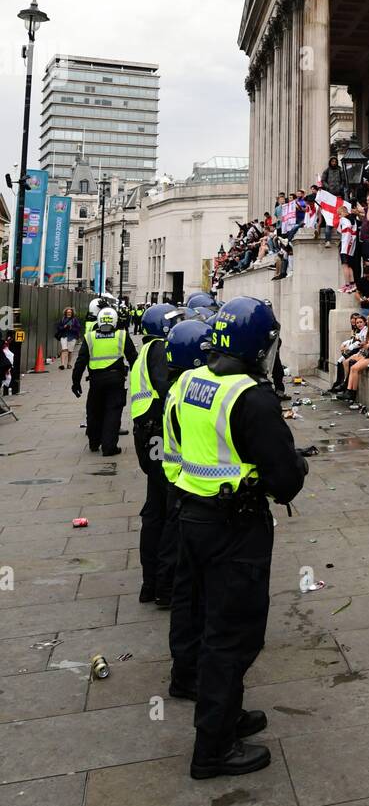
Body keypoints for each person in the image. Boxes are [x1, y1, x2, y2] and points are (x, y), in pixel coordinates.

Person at [167, 296, 307, 779]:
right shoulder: (253, 397)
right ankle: (213, 748)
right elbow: (285, 481)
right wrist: (297, 463)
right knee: (234, 636)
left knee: (210, 624)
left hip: (192, 516)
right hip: (235, 528)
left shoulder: (191, 379)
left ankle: (227, 715)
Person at [131, 301, 184, 606]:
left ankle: (150, 583)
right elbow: (168, 391)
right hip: (157, 435)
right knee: (167, 510)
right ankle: (164, 584)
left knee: (154, 509)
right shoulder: (160, 350)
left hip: (146, 434)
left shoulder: (145, 352)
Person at [72, 306, 137, 456]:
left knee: (94, 411)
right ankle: (109, 447)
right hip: (116, 379)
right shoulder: (122, 335)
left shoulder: (90, 337)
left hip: (96, 380)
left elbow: (81, 361)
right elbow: (133, 358)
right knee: (112, 412)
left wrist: (75, 382)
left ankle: (94, 442)